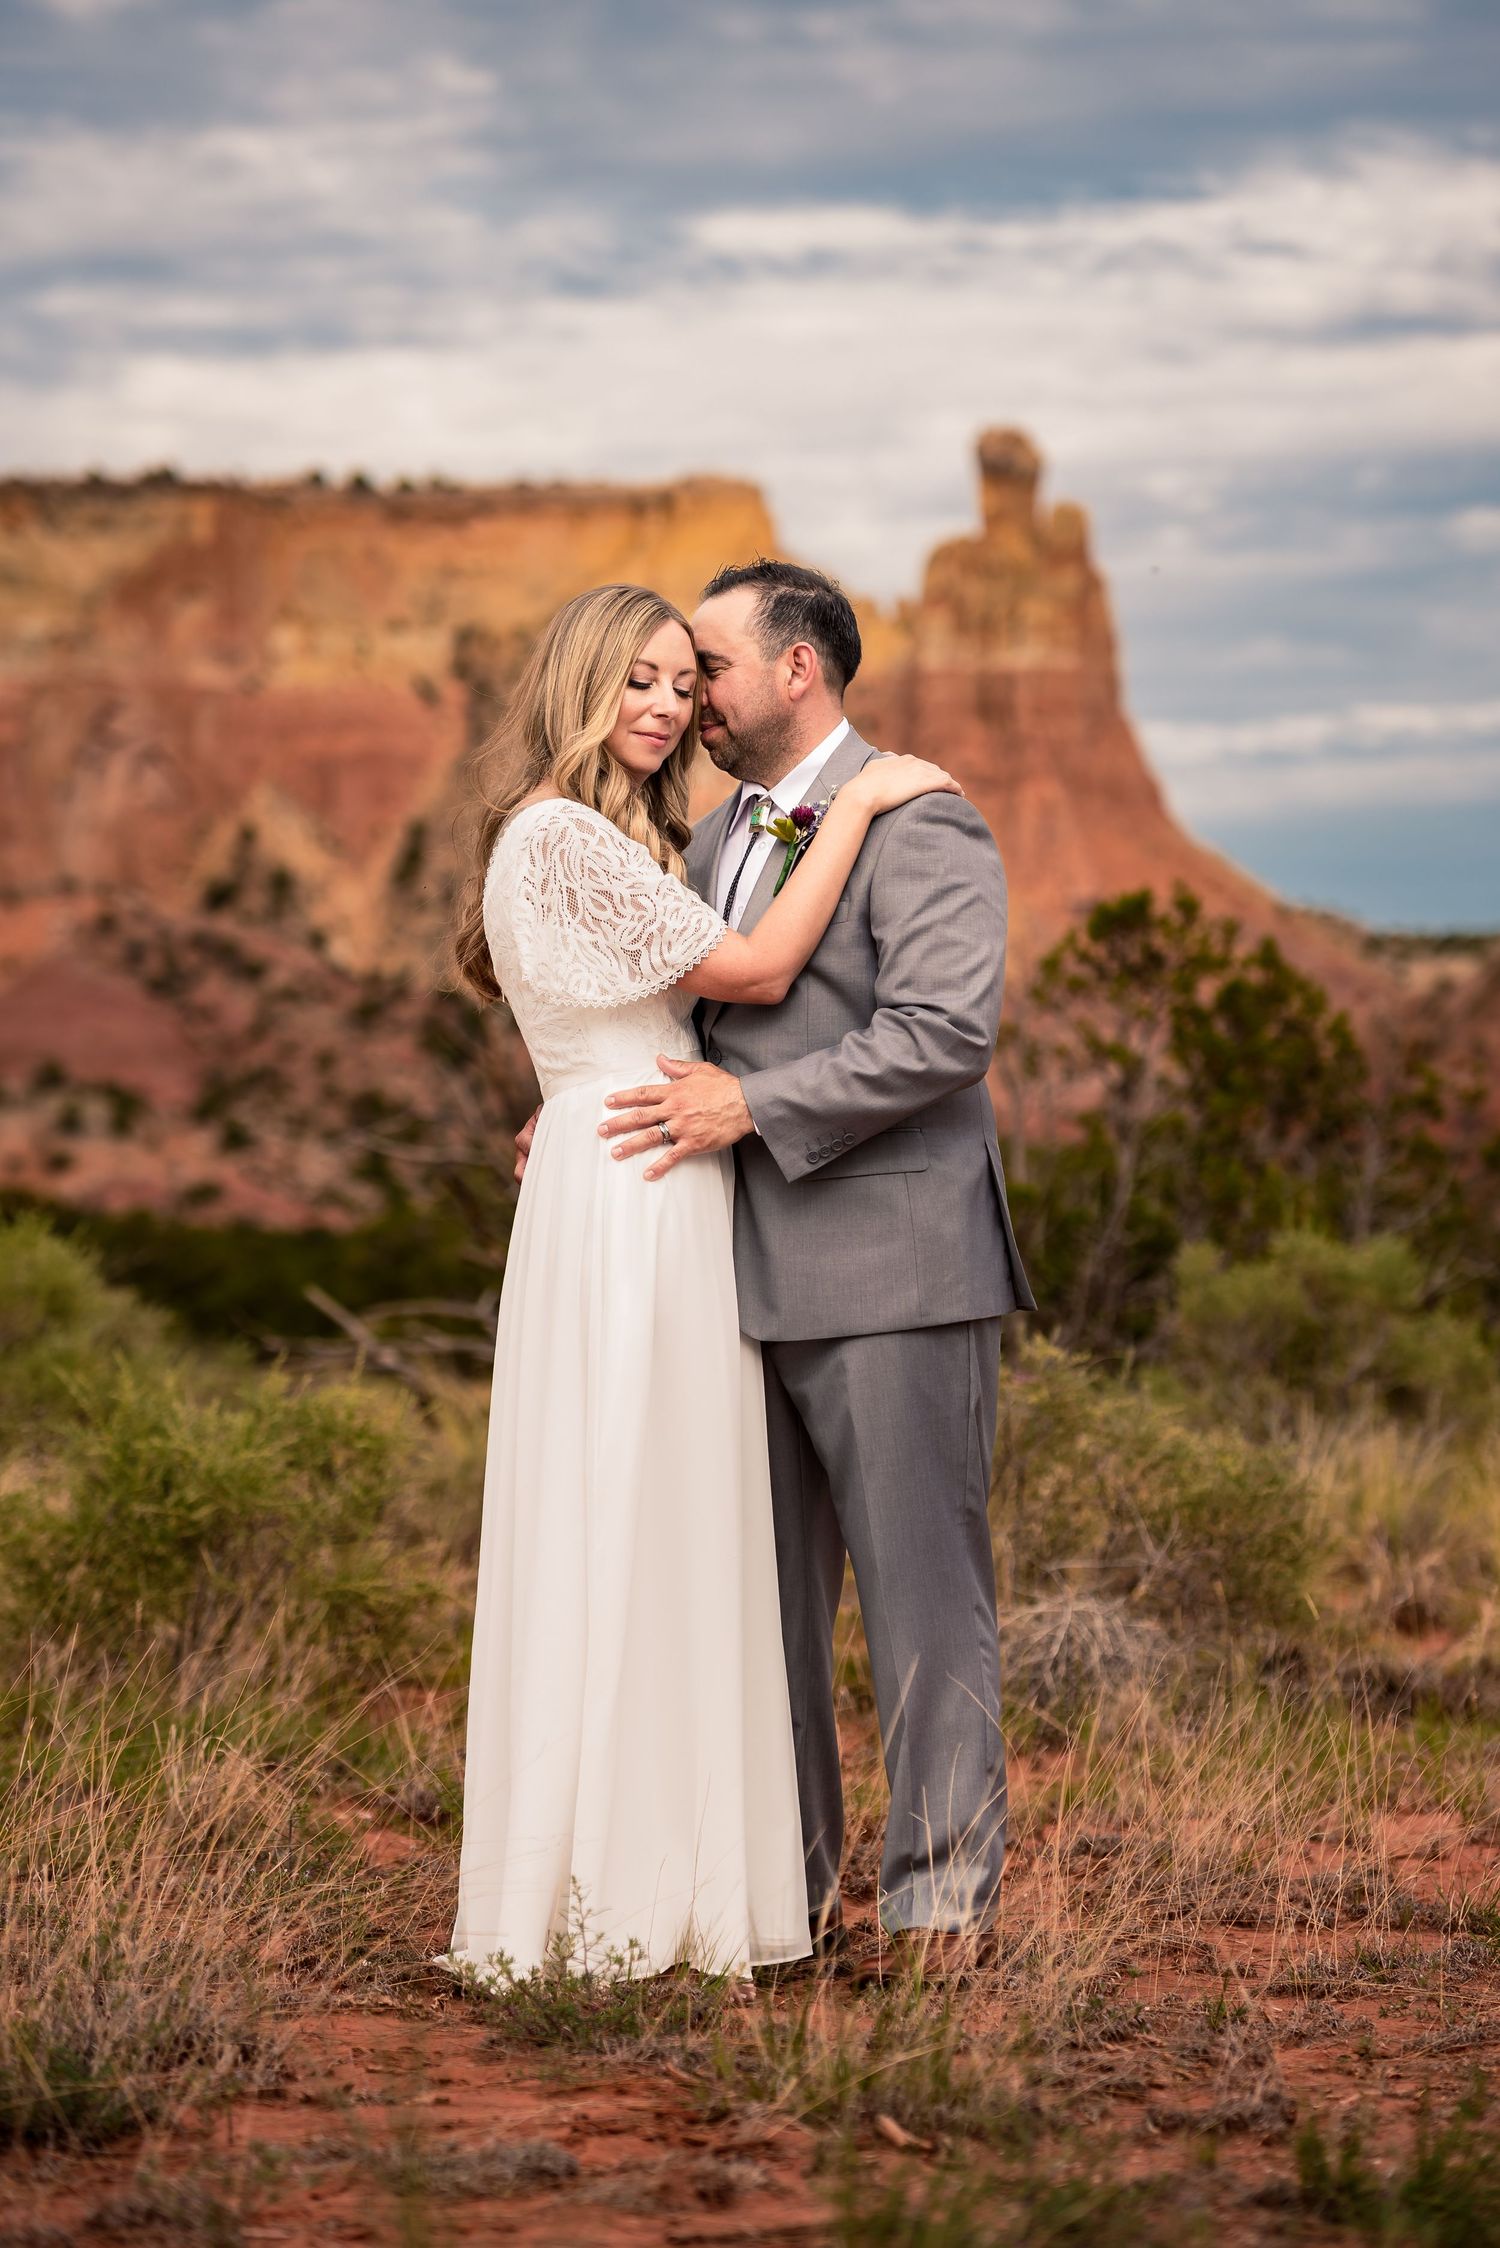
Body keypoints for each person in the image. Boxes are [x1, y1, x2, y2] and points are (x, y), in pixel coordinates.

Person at [442, 581, 962, 1983]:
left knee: (664, 1529)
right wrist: (857, 804)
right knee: (633, 1518)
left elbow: (909, 1027)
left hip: (657, 1189)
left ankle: (712, 1881)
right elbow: (756, 964)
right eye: (645, 681)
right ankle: (626, 1894)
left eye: (689, 678)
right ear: (581, 683)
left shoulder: (638, 833)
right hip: (642, 1199)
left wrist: (579, 1087)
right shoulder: (576, 834)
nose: (672, 706)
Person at [596, 561, 1035, 1973]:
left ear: (798, 671)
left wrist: (755, 1109)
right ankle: (777, 1906)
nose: (691, 696)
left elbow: (945, 1031)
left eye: (710, 665)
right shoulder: (715, 833)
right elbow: (698, 1022)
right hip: (735, 1284)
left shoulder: (924, 816)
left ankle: (940, 1909)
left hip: (898, 1274)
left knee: (923, 1603)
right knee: (761, 1615)